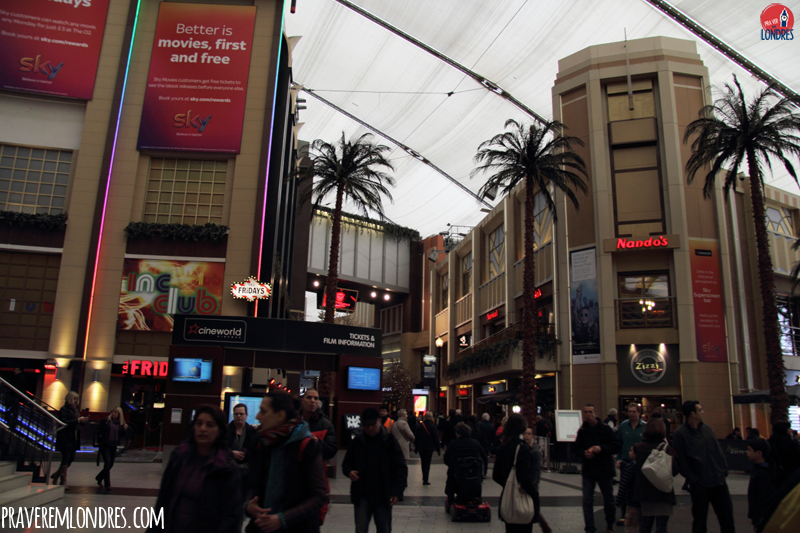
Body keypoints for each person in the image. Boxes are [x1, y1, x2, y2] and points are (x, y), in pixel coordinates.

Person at [149, 404, 241, 533]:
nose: (202, 429)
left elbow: (231, 517)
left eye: (210, 425)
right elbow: (163, 500)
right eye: (199, 423)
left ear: (219, 430)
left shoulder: (226, 467)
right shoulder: (180, 456)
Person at [244, 391, 327, 533]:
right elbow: (251, 484)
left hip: (298, 528)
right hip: (261, 527)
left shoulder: (306, 446)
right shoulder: (260, 443)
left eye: (263, 412)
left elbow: (318, 496)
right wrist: (248, 505)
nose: (257, 417)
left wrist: (283, 519)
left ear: (280, 416)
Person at [672, 400, 735, 533]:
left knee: (727, 518)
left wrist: (723, 470)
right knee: (700, 520)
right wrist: (692, 478)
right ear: (692, 414)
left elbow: (717, 450)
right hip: (700, 483)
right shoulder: (681, 433)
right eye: (700, 410)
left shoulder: (706, 428)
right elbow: (681, 459)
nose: (703, 412)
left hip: (718, 480)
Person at [342, 407, 407, 533]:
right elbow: (346, 463)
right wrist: (349, 472)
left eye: (372, 425)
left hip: (383, 494)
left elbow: (400, 468)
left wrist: (398, 491)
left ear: (379, 422)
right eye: (366, 426)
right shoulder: (358, 441)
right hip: (362, 494)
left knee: (384, 528)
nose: (370, 428)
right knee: (361, 528)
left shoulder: (389, 441)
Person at [575, 403, 619, 533]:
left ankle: (610, 524)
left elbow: (615, 445)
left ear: (595, 413)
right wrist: (584, 453)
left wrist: (601, 448)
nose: (588, 415)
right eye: (585, 412)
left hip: (604, 469)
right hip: (589, 470)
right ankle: (589, 527)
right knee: (587, 500)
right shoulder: (583, 431)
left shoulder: (605, 429)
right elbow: (576, 448)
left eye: (590, 412)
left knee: (608, 498)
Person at [493, 414, 540, 533]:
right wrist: (533, 492)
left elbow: (496, 475)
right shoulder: (522, 447)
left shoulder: (503, 445)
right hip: (521, 495)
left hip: (508, 497)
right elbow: (524, 475)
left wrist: (508, 484)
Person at [631, 418, 679, 533]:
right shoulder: (666, 448)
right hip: (663, 494)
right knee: (662, 528)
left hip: (645, 494)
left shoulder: (639, 448)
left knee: (645, 526)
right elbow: (676, 470)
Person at [444, 422, 488, 509]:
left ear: (458, 433)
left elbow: (446, 459)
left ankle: (450, 499)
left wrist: (452, 464)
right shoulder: (475, 443)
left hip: (458, 474)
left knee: (451, 473)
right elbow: (484, 458)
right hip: (474, 474)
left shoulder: (454, 443)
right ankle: (476, 497)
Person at [52, 391, 88, 489]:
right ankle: (63, 480)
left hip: (73, 436)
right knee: (66, 457)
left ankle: (57, 474)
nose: (76, 401)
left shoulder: (76, 410)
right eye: (74, 399)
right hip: (65, 436)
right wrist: (77, 420)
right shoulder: (64, 409)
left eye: (77, 399)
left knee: (71, 457)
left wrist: (82, 421)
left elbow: (76, 423)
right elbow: (63, 422)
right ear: (69, 399)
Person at [616, 403, 644, 527]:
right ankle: (623, 514)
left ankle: (641, 513)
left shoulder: (644, 427)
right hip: (626, 461)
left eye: (634, 411)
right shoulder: (623, 426)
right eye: (630, 411)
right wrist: (618, 458)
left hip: (640, 463)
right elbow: (619, 444)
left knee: (639, 488)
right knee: (624, 487)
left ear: (638, 412)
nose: (632, 414)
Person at [523, 427, 552, 533]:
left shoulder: (534, 452)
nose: (526, 436)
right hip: (526, 482)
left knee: (533, 506)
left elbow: (536, 470)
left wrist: (534, 484)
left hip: (532, 483)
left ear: (532, 436)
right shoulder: (523, 449)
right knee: (531, 506)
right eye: (525, 434)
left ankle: (545, 527)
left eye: (529, 434)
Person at [746, 437, 777, 529]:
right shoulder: (760, 470)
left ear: (759, 453)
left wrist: (757, 515)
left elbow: (762, 496)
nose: (747, 452)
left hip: (761, 513)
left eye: (749, 450)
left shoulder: (762, 473)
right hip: (759, 513)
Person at [95, 407, 127, 491]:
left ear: (119, 415)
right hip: (105, 444)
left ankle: (99, 477)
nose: (113, 414)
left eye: (115, 412)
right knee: (107, 462)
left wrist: (124, 429)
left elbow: (122, 435)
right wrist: (96, 441)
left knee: (111, 464)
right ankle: (107, 484)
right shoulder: (106, 421)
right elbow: (98, 430)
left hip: (113, 445)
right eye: (112, 412)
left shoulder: (121, 424)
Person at [300, 389, 337, 461]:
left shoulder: (326, 425)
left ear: (318, 403)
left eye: (316, 398)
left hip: (316, 468)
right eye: (309, 397)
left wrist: (317, 443)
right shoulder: (294, 422)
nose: (312, 401)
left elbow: (331, 452)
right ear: (302, 401)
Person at [766, 419, 800, 486]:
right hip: (790, 474)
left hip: (773, 475)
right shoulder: (792, 444)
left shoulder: (769, 443)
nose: (790, 430)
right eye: (789, 428)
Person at [414, 412, 440, 485]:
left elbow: (417, 437)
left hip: (421, 447)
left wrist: (416, 447)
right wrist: (438, 448)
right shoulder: (432, 426)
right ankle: (426, 479)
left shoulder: (420, 426)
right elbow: (436, 438)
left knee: (423, 462)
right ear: (431, 417)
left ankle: (424, 477)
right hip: (429, 447)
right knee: (427, 462)